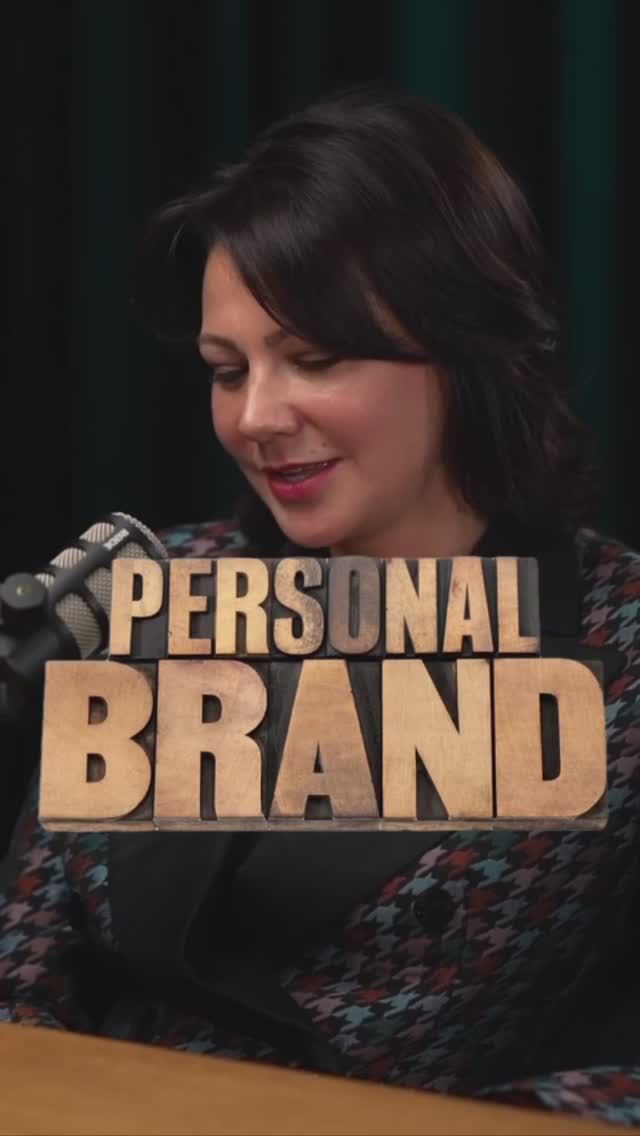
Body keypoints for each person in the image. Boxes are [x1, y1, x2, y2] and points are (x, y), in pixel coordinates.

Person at [2, 82, 640, 1126]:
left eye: (314, 358)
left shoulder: (619, 636)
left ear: (463, 347)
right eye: (226, 370)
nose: (256, 416)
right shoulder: (157, 589)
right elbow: (25, 964)